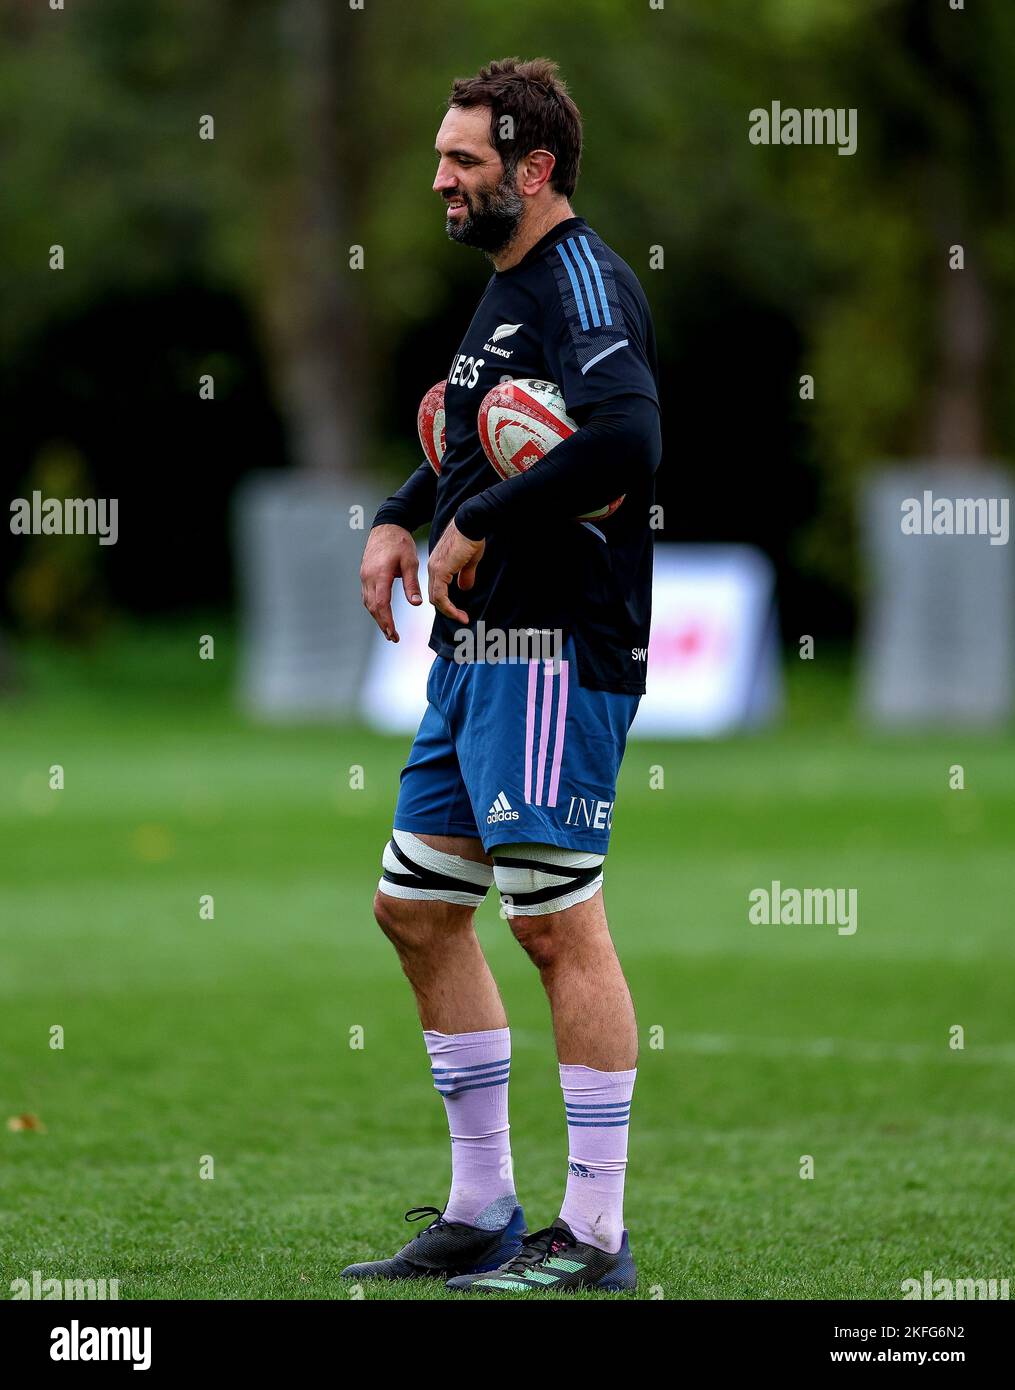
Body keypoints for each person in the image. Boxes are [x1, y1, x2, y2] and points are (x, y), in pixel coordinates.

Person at [344, 56, 662, 1295]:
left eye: (463, 160)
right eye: (439, 155)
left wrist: (481, 528)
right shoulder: (507, 287)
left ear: (532, 171)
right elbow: (473, 433)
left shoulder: (583, 282)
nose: (441, 178)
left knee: (550, 921)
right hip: (475, 654)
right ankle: (481, 1209)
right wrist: (400, 512)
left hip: (552, 646)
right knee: (417, 910)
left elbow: (626, 440)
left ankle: (592, 1237)